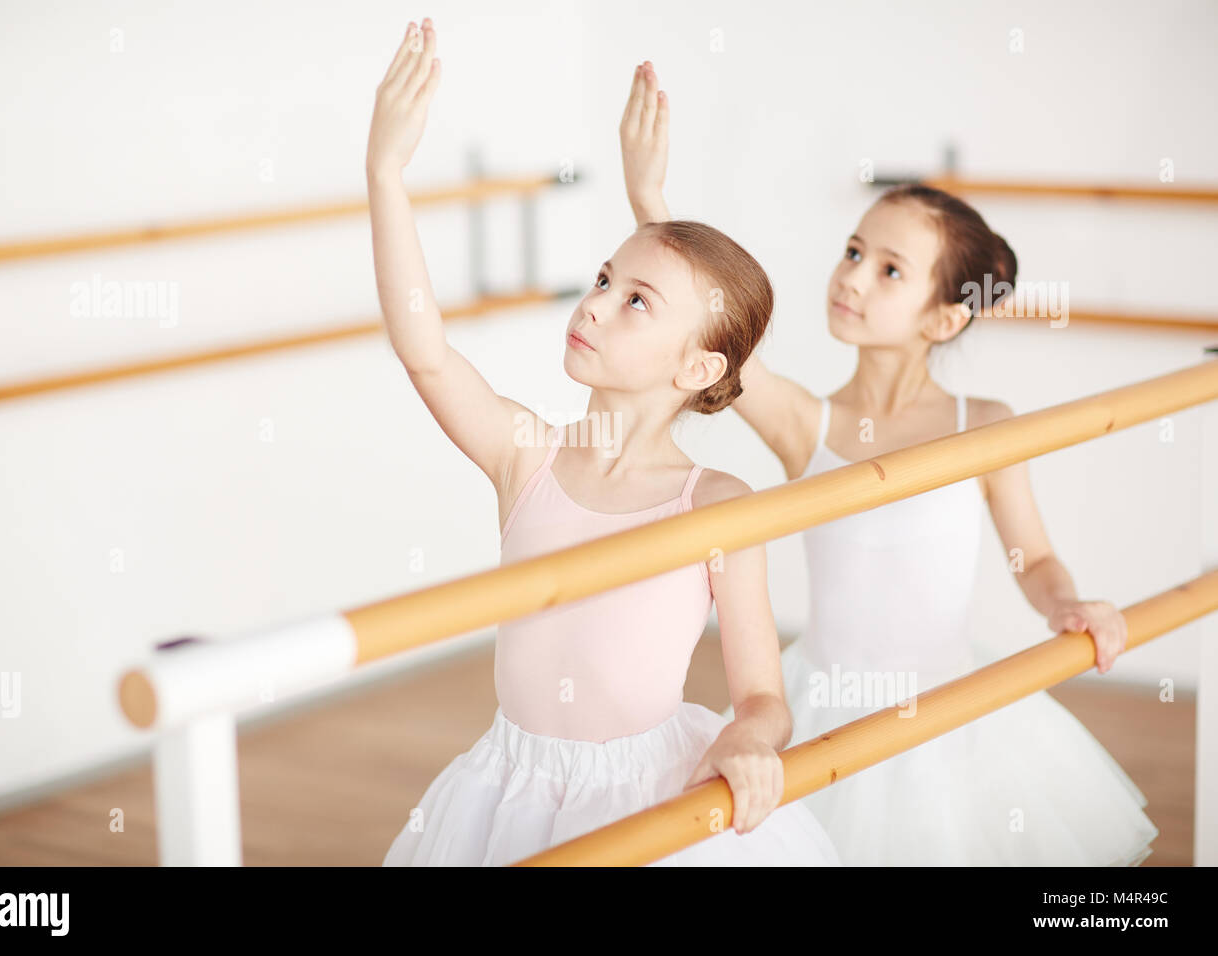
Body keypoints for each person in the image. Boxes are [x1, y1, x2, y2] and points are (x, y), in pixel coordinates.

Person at [620, 60, 1158, 865]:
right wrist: (649, 203)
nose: (852, 277)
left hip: (949, 707)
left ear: (944, 318)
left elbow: (1034, 555)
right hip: (825, 703)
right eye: (853, 250)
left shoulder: (989, 427)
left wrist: (1069, 605)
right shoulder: (808, 424)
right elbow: (715, 319)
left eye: (889, 270)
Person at [371, 21, 839, 866]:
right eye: (602, 281)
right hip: (510, 787)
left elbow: (763, 694)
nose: (594, 305)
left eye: (636, 303)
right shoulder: (527, 456)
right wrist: (386, 175)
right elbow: (425, 351)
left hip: (648, 795)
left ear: (698, 366)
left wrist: (748, 741)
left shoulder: (718, 505)